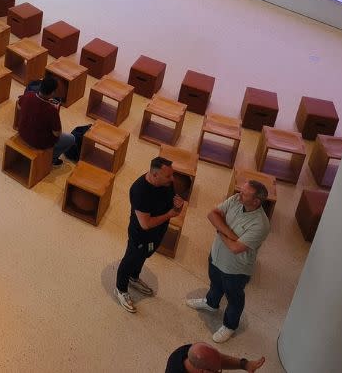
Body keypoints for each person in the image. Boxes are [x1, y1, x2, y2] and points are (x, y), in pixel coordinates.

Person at [186, 180, 271, 343]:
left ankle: (230, 325)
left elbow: (235, 248)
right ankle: (211, 303)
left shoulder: (261, 224)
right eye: (241, 190)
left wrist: (220, 230)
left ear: (256, 201)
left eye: (244, 193)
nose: (239, 193)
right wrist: (230, 234)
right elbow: (212, 214)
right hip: (216, 256)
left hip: (235, 270)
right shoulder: (235, 200)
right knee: (215, 283)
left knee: (234, 298)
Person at [114, 156, 185, 313]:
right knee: (132, 257)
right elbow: (145, 224)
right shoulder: (140, 191)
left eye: (171, 175)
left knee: (144, 255)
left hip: (158, 231)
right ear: (154, 175)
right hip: (140, 234)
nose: (172, 179)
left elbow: (173, 207)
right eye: (168, 176)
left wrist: (178, 207)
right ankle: (120, 288)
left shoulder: (167, 182)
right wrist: (170, 215)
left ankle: (134, 277)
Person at [16, 74, 75, 167]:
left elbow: (19, 106)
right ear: (53, 93)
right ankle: (52, 159)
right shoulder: (51, 110)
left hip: (22, 132)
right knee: (71, 138)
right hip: (39, 142)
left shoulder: (28, 95)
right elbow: (57, 133)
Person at [165, 342, 265, 372]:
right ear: (202, 370)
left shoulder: (188, 351)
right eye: (217, 371)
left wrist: (245, 364)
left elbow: (217, 359)